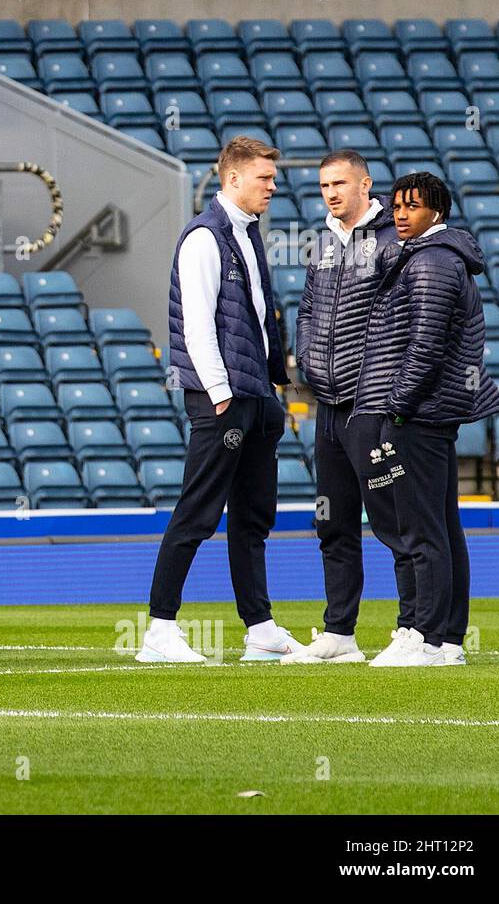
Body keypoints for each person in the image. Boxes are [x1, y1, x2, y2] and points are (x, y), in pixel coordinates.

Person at [137, 136, 302, 664]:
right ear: (233, 179)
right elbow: (196, 324)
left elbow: (256, 316)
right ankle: (159, 630)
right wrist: (220, 395)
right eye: (264, 178)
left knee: (253, 517)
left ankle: (261, 629)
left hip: (256, 396)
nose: (273, 187)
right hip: (224, 399)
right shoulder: (204, 238)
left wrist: (269, 388)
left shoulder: (247, 235)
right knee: (198, 511)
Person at [352, 172, 499, 667]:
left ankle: (428, 637)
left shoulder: (432, 261)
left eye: (413, 206)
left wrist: (396, 405)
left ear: (438, 211)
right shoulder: (432, 255)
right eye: (397, 205)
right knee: (441, 525)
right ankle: (448, 640)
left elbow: (426, 344)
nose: (400, 214)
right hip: (430, 410)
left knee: (421, 528)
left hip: (418, 412)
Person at [282, 150, 410, 665]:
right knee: (332, 520)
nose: (331, 193)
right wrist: (310, 366)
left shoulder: (390, 240)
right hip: (328, 406)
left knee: (394, 520)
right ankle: (339, 633)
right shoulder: (322, 245)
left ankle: (415, 629)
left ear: (366, 184)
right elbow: (308, 309)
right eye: (324, 186)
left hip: (373, 404)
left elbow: (401, 316)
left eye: (340, 183)